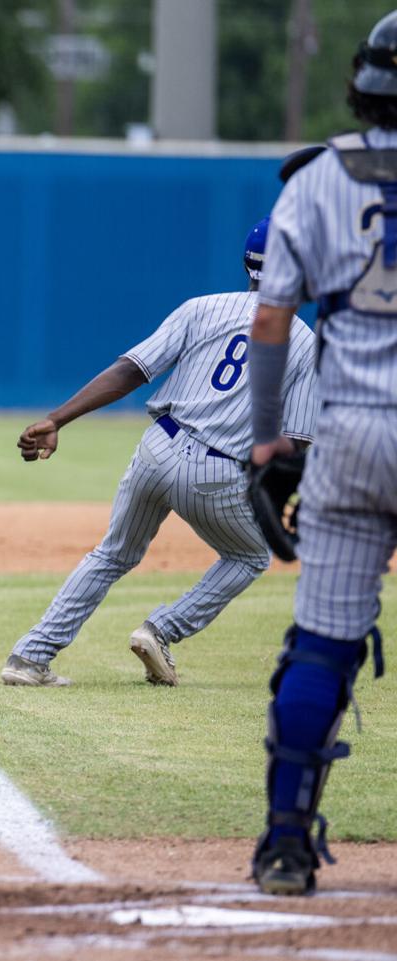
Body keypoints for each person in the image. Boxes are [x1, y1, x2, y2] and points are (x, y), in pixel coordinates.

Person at [1, 219, 319, 688]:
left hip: (157, 446)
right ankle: (160, 630)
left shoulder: (202, 308)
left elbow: (131, 370)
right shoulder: (304, 342)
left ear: (248, 265)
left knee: (112, 554)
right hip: (216, 469)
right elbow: (298, 441)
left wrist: (58, 419)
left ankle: (29, 657)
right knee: (250, 556)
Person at [248, 12, 397, 896]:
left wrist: (270, 435)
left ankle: (284, 847)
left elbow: (272, 316)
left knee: (322, 647)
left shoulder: (318, 176)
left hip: (346, 429)